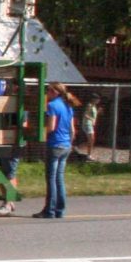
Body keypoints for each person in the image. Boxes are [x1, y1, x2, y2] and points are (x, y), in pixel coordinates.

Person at [36, 83, 80, 219]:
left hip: (55, 144)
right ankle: (60, 210)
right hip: (66, 144)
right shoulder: (68, 106)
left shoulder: (52, 105)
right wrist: (70, 144)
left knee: (51, 179)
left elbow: (51, 127)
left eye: (48, 90)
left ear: (55, 92)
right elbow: (72, 129)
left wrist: (39, 133)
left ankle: (49, 210)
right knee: (59, 178)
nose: (47, 93)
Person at [80, 93, 103, 161]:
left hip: (91, 124)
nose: (98, 101)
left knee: (92, 139)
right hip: (87, 124)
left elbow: (93, 115)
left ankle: (88, 153)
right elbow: (85, 115)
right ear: (94, 99)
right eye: (97, 99)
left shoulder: (94, 106)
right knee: (91, 139)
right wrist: (92, 119)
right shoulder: (89, 105)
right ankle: (88, 155)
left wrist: (98, 111)